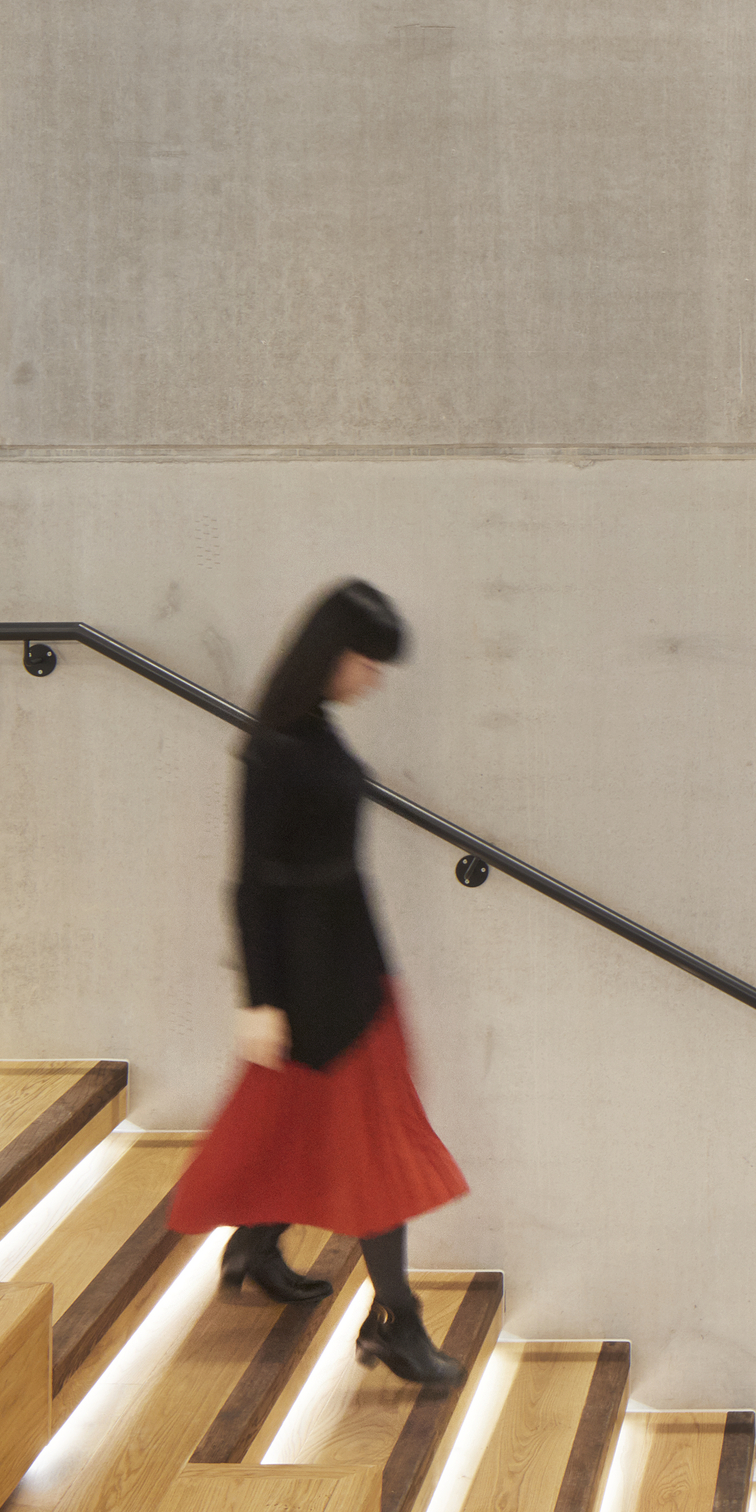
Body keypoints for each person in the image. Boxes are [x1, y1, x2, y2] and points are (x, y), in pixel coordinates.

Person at [168, 578, 469, 1390]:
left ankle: (257, 1245)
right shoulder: (275, 747)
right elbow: (250, 882)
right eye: (368, 661)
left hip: (351, 960)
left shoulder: (315, 729)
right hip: (314, 979)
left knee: (312, 1122)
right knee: (374, 1147)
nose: (374, 678)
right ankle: (394, 1321)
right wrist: (259, 1000)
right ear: (332, 655)